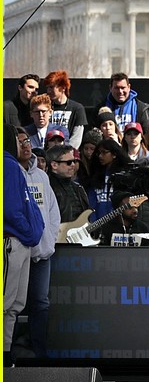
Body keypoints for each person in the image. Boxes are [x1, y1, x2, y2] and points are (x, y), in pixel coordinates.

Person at [15, 128, 58, 357]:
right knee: (13, 304)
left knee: (41, 303)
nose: (26, 145)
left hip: (41, 254)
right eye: (20, 142)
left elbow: (52, 212)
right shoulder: (9, 173)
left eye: (27, 141)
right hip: (16, 250)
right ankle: (9, 353)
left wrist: (47, 239)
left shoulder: (41, 175)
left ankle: (40, 354)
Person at [4, 124, 44, 355]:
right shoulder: (7, 164)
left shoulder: (13, 165)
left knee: (15, 304)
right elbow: (9, 209)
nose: (23, 144)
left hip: (22, 242)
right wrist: (28, 232)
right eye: (18, 140)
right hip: (12, 242)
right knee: (6, 302)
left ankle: (6, 353)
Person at [84, 138, 134, 221]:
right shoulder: (95, 176)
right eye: (98, 153)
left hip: (119, 224)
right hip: (97, 225)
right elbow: (91, 204)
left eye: (104, 152)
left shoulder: (125, 175)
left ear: (114, 154)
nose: (100, 156)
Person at [43, 71, 88, 150]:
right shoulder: (45, 108)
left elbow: (77, 138)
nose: (48, 91)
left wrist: (66, 152)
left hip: (68, 154)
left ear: (63, 88)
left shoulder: (77, 108)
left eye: (51, 87)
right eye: (47, 88)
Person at [46, 145, 91, 225]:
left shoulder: (78, 188)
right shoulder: (47, 188)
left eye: (74, 161)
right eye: (69, 162)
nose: (73, 165)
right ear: (54, 165)